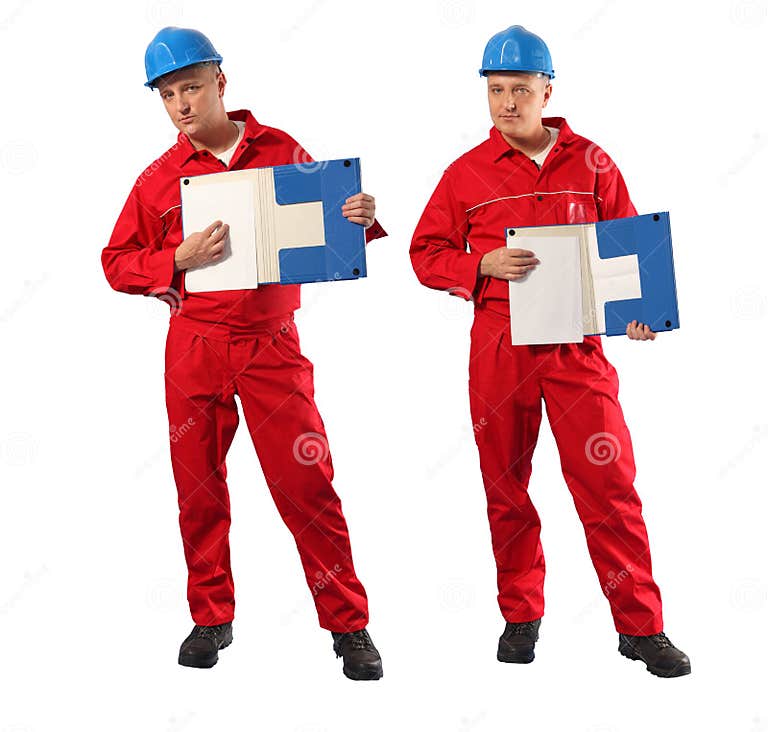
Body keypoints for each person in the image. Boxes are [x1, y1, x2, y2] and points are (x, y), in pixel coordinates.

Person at [101, 26, 385, 680]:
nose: (182, 105)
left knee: (306, 483)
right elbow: (115, 263)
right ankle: (210, 616)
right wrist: (174, 259)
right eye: (168, 94)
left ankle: (348, 625)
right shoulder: (159, 179)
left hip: (270, 346)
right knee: (198, 488)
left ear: (221, 81)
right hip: (194, 346)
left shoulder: (283, 151)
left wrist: (360, 219)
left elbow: (335, 240)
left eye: (191, 87)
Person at [409, 25, 690, 678]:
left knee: (610, 487)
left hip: (575, 352)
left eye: (520, 90)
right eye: (496, 90)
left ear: (547, 90)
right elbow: (424, 254)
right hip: (499, 349)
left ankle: (640, 627)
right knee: (506, 488)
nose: (507, 103)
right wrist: (482, 263)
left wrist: (640, 315)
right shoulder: (464, 174)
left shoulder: (592, 162)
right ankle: (521, 614)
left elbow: (629, 247)